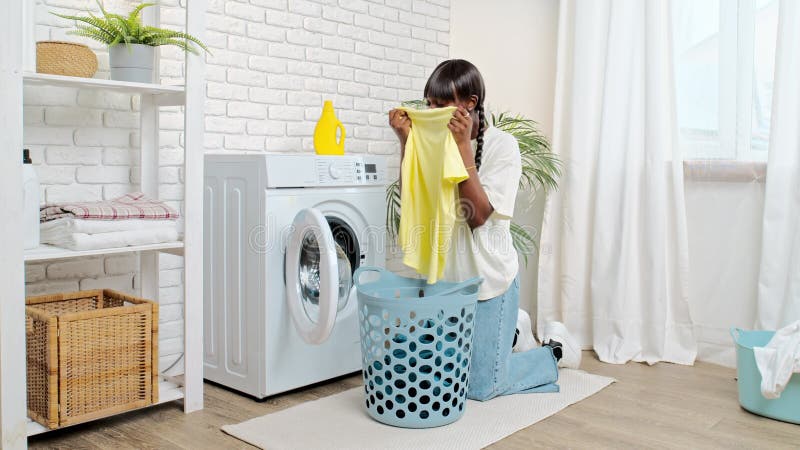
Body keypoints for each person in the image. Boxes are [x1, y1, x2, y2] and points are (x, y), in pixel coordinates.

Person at [389, 59, 574, 401]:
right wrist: (406, 143)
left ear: (469, 104)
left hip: (490, 284)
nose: (432, 112)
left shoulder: (503, 147)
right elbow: (410, 196)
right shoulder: (433, 143)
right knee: (419, 372)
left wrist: (461, 148)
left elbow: (477, 215)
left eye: (441, 106)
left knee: (481, 386)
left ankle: (552, 351)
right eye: (429, 104)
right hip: (447, 283)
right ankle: (511, 334)